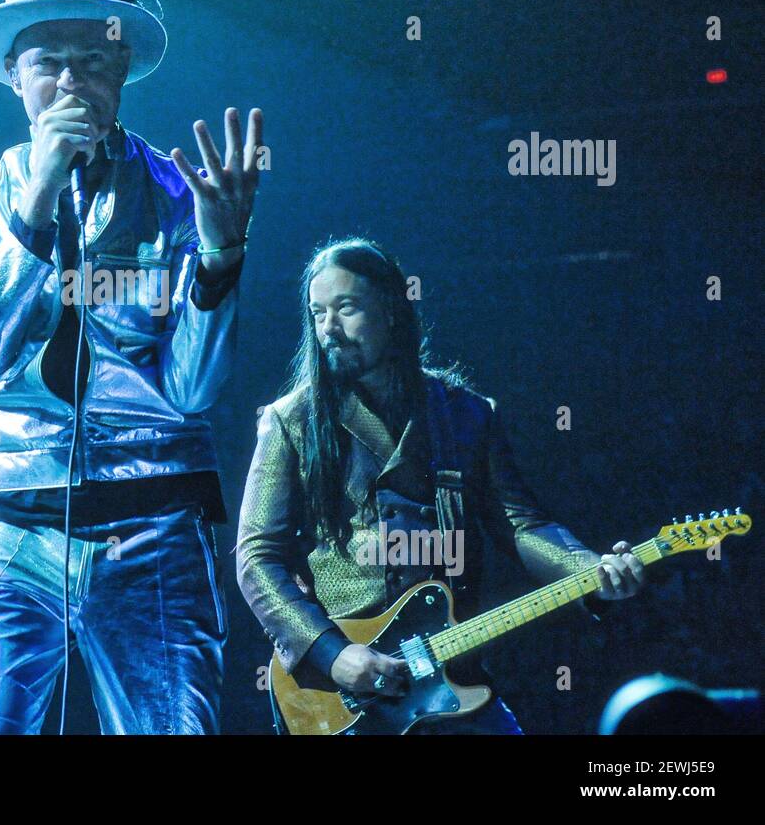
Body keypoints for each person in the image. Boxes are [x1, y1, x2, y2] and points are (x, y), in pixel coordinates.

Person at [0, 0, 263, 733]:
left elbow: (191, 391)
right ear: (16, 76)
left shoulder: (181, 193)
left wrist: (221, 258)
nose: (71, 82)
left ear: (122, 74)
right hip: (13, 524)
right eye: (49, 61)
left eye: (93, 60)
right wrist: (39, 196)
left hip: (154, 521)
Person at [236, 238, 644, 733]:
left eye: (346, 308)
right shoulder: (290, 421)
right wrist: (332, 652)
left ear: (391, 311)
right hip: (345, 692)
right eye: (317, 312)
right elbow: (256, 558)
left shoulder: (465, 413)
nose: (329, 329)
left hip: (453, 677)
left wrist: (588, 570)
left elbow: (521, 524)